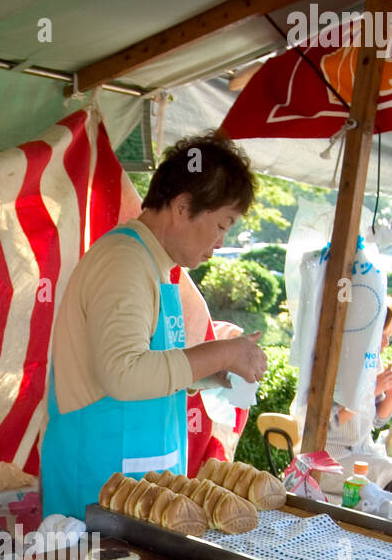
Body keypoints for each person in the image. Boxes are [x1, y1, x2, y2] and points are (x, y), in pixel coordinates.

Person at [39, 132, 267, 520]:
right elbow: (123, 374)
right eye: (221, 225)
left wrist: (213, 373)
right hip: (98, 487)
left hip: (139, 486)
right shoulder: (124, 261)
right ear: (182, 207)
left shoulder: (155, 263)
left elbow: (155, 367)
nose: (219, 242)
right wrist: (223, 351)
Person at [325, 295, 392, 495]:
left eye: (389, 335)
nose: (386, 342)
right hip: (331, 459)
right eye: (383, 334)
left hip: (362, 452)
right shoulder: (337, 363)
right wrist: (371, 390)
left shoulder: (374, 363)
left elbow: (379, 421)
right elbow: (329, 423)